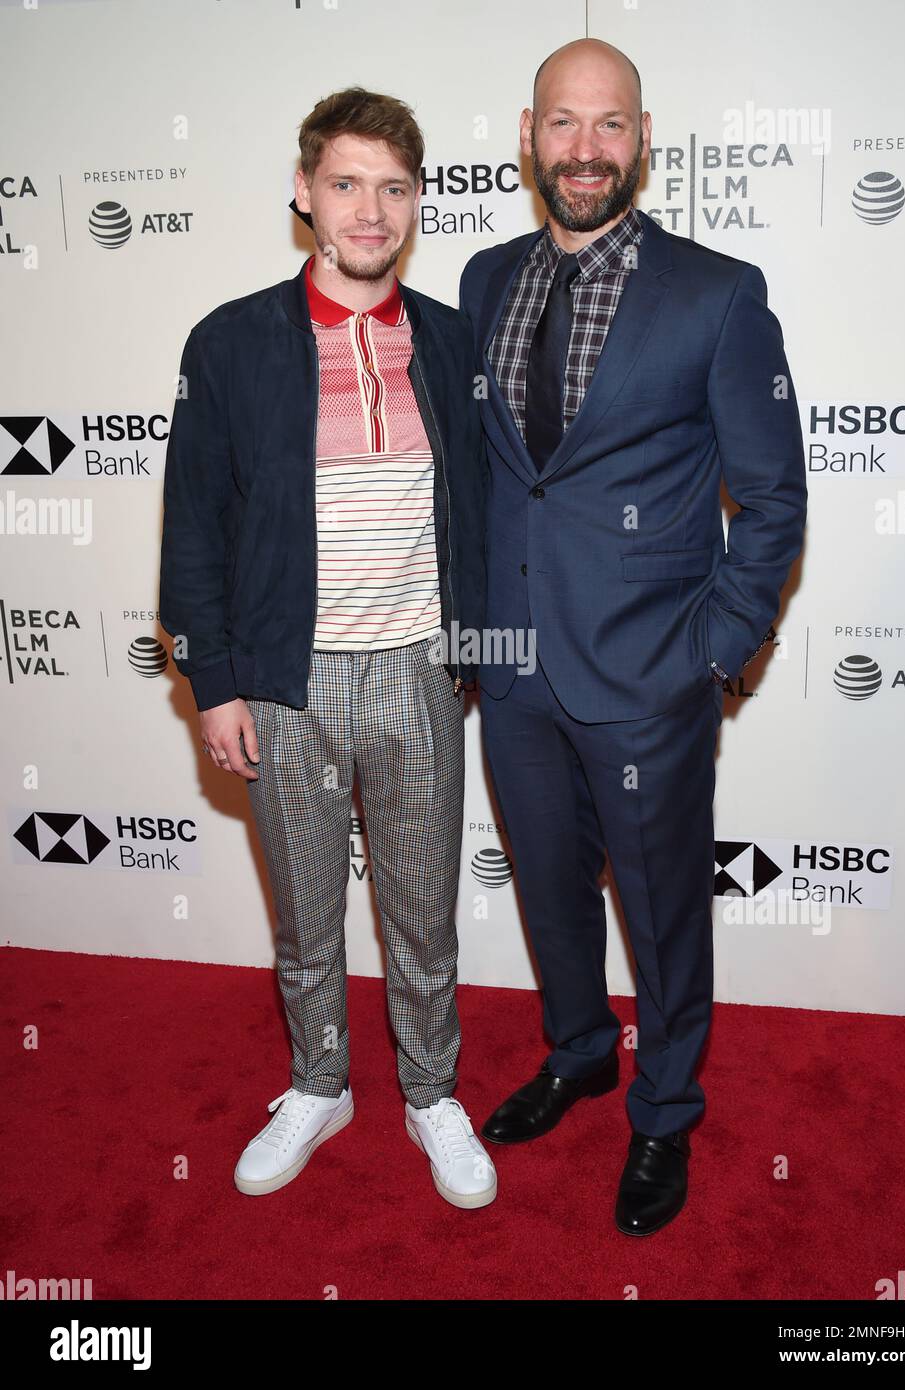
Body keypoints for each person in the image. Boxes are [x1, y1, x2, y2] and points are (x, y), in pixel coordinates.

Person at [459, 39, 807, 1235]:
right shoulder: (484, 279)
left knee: (659, 910)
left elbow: (773, 502)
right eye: (564, 122)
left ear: (643, 139)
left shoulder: (716, 293)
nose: (586, 149)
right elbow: (501, 483)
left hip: (647, 672)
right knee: (550, 891)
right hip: (510, 668)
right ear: (527, 134)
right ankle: (578, 1052)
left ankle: (663, 1108)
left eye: (611, 125)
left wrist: (712, 654)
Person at [159, 86, 495, 1210]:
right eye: (345, 183)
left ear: (415, 201)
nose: (370, 209)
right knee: (304, 916)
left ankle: (430, 1091)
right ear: (303, 192)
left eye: (393, 187)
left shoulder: (450, 339)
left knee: (423, 915)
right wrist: (216, 682)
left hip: (417, 673)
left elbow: (494, 510)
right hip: (285, 680)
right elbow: (195, 520)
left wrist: (475, 655)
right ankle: (319, 1083)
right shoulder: (232, 341)